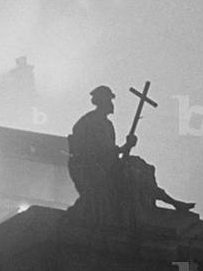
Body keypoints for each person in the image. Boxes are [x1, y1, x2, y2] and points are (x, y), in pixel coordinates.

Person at [67, 85, 194, 228]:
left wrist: (126, 148)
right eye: (109, 100)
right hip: (92, 168)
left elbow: (111, 153)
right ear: (102, 102)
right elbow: (100, 152)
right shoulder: (90, 122)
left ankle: (170, 202)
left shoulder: (107, 125)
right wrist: (126, 147)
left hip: (105, 164)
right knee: (133, 174)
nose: (111, 104)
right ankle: (151, 210)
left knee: (143, 167)